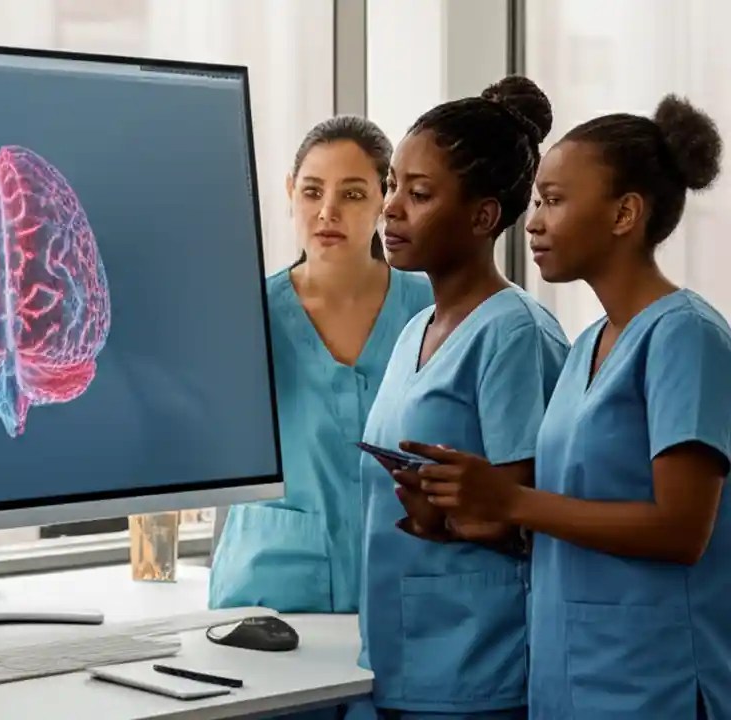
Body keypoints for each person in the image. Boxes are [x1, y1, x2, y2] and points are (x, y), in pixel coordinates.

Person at [411, 95, 731, 719]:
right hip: (568, 680)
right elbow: (573, 515)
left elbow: (682, 530)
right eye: (535, 201)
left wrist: (512, 501)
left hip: (652, 685)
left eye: (554, 201)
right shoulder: (586, 345)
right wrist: (470, 518)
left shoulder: (685, 337)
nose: (532, 222)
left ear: (625, 214)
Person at [356, 75, 570, 719]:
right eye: (392, 184)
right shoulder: (415, 329)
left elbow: (525, 519)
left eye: (418, 194)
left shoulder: (514, 334)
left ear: (483, 216)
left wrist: (447, 516)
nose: (391, 207)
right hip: (401, 656)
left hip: (477, 666)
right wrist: (426, 512)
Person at [209, 115, 433, 618]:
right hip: (270, 595)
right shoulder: (247, 315)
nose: (327, 211)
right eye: (312, 192)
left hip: (409, 592)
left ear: (385, 196)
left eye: (352, 194)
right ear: (290, 192)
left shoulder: (433, 311)